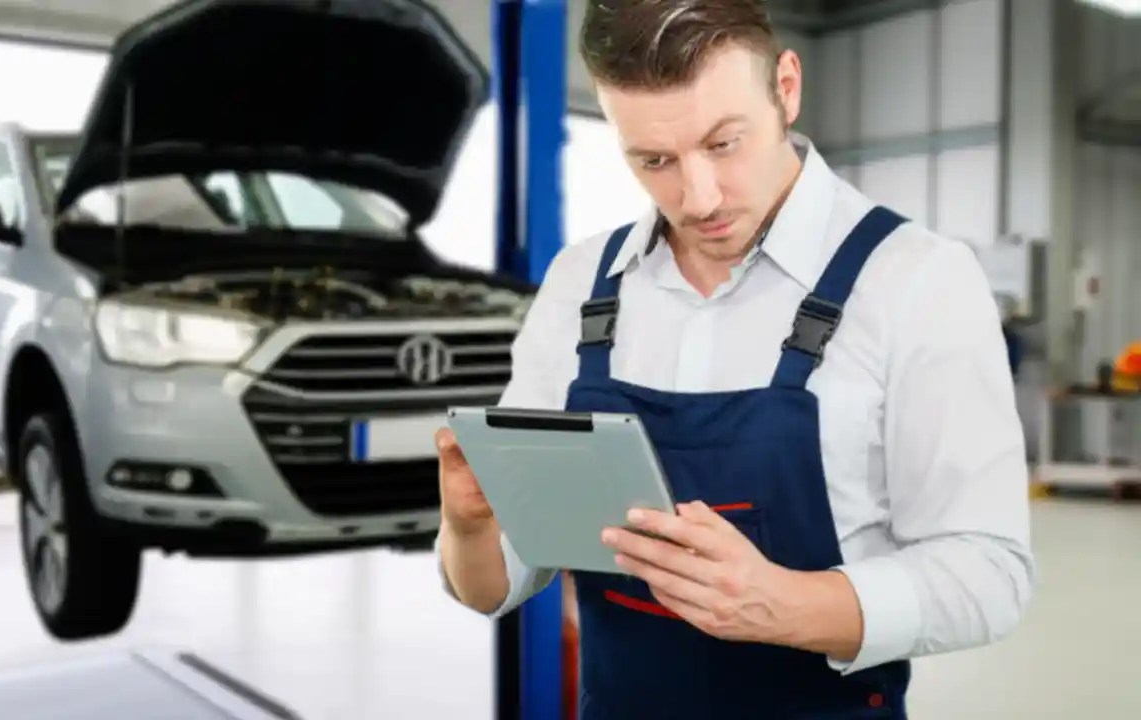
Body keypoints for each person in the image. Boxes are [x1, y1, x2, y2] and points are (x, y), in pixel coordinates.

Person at [434, 1, 1034, 716]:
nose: (698, 197)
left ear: (785, 87)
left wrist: (785, 605)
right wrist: (471, 530)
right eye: (653, 161)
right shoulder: (578, 285)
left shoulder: (916, 281)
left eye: (723, 144)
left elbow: (991, 573)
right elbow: (496, 583)